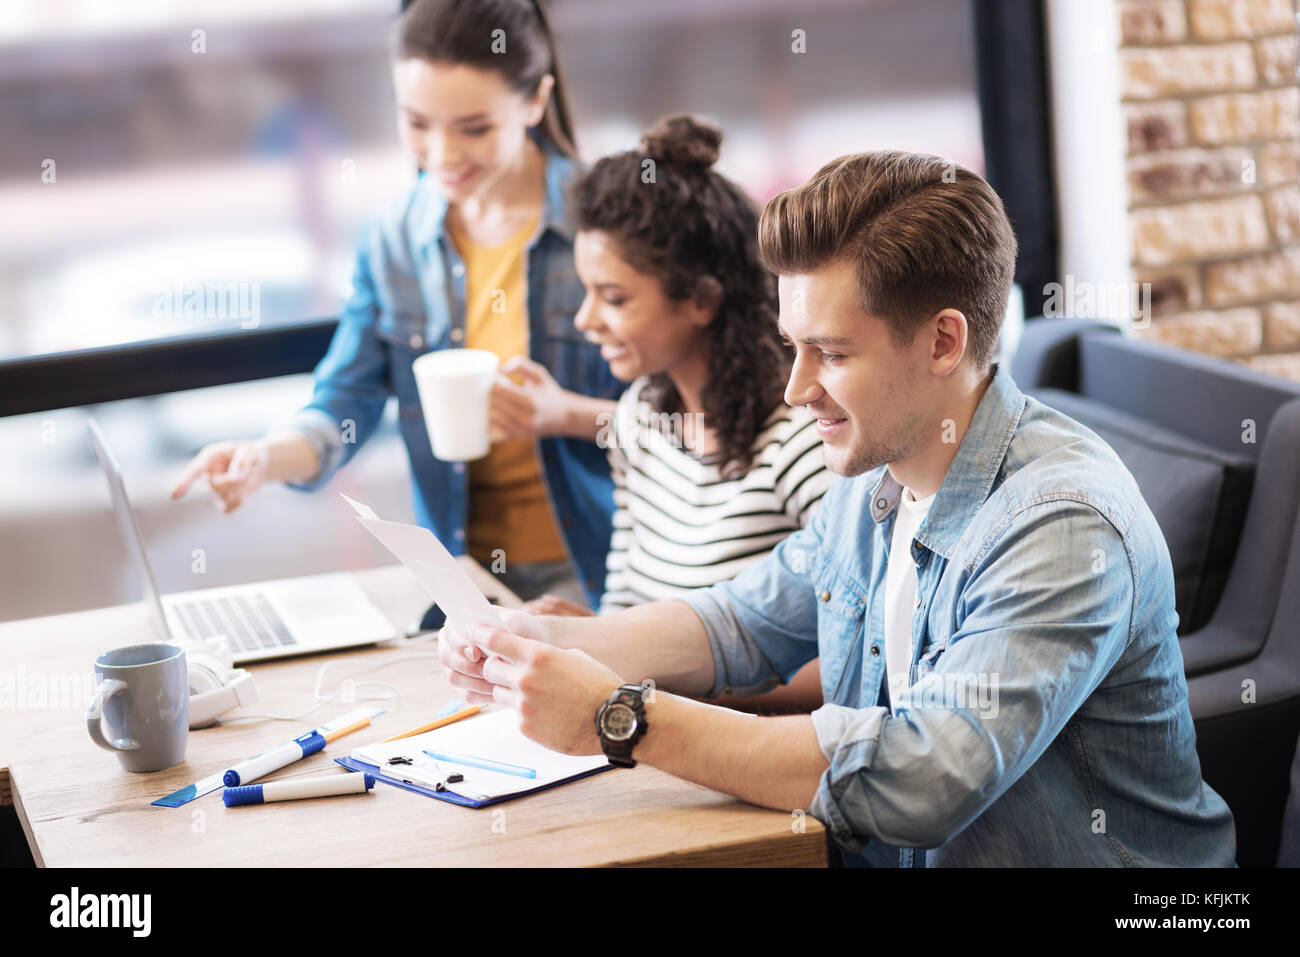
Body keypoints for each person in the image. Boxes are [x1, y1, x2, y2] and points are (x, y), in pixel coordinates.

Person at [437, 150, 1238, 867]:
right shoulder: (872, 475)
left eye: (834, 352)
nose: (796, 386)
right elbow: (742, 622)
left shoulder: (1061, 524)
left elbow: (921, 777)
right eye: (794, 345)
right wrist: (540, 641)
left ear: (943, 342)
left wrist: (622, 718)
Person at [170, 0, 624, 619]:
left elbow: (694, 425)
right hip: (462, 587)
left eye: (474, 127)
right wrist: (264, 459)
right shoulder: (393, 241)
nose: (441, 154)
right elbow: (346, 400)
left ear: (535, 102)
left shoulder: (612, 225)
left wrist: (564, 415)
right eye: (417, 123)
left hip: (604, 578)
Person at [518, 115, 833, 714]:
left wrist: (656, 680)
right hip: (652, 727)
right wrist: (589, 640)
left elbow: (852, 665)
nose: (587, 321)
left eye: (614, 298)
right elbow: (624, 601)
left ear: (701, 300)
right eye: (587, 293)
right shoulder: (639, 417)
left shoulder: (802, 442)